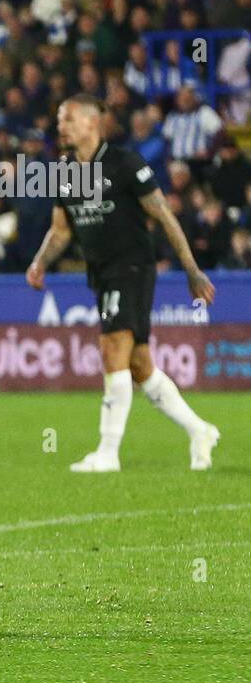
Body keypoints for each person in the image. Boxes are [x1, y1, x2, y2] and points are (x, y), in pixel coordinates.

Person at [26, 94, 218, 472]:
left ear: (91, 123)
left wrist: (192, 270)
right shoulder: (64, 170)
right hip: (100, 272)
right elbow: (62, 230)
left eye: (68, 119)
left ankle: (108, 452)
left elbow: (165, 217)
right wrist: (39, 262)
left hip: (131, 267)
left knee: (112, 347)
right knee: (138, 364)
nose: (60, 126)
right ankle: (200, 430)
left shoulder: (124, 164)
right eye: (60, 120)